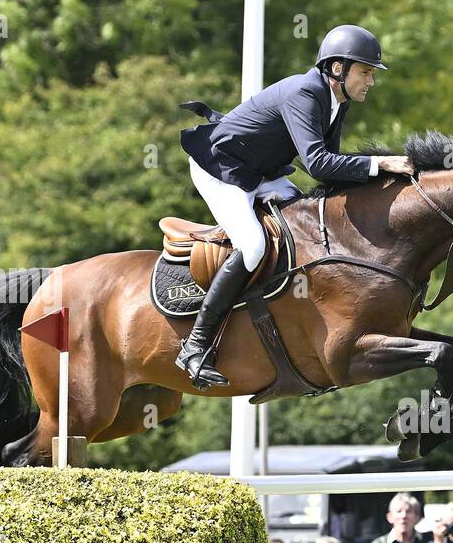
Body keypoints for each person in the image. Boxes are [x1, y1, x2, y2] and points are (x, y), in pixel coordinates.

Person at [175, 24, 416, 389]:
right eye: (365, 72)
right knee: (253, 245)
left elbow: (328, 163)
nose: (371, 81)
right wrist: (380, 164)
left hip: (261, 171)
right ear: (338, 69)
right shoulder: (306, 92)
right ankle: (195, 345)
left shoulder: (337, 101)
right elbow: (318, 164)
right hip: (222, 169)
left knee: (305, 227)